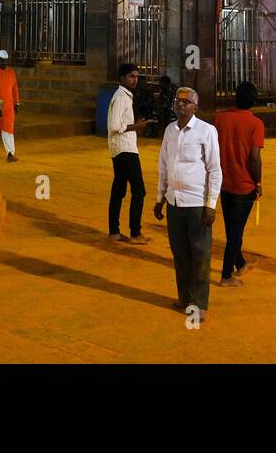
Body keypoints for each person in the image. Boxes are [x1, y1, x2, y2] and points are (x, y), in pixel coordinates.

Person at [154, 87, 221, 321]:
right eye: (177, 101)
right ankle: (184, 298)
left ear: (195, 106)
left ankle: (199, 303)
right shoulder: (170, 131)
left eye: (186, 101)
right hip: (174, 201)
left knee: (200, 254)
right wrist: (159, 197)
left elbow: (214, 170)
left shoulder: (206, 131)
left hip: (196, 203)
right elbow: (163, 165)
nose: (180, 105)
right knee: (180, 253)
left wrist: (211, 204)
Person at [214, 81, 264, 287]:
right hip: (244, 184)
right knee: (236, 231)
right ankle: (226, 275)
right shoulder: (255, 124)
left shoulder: (220, 118)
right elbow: (254, 157)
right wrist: (258, 181)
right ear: (253, 101)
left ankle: (240, 262)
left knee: (231, 228)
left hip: (224, 183)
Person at [106, 63, 154, 244]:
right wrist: (137, 126)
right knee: (139, 190)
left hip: (120, 148)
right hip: (125, 149)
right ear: (122, 78)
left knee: (118, 189)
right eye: (131, 76)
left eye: (136, 76)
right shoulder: (121, 98)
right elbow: (114, 127)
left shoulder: (124, 96)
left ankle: (114, 231)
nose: (135, 80)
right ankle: (135, 233)